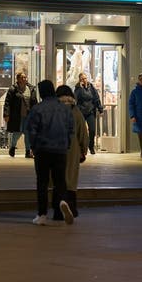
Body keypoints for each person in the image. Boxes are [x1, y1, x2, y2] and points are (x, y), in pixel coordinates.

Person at [26, 80, 74, 226]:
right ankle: (63, 200)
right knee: (60, 180)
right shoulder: (65, 109)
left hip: (43, 149)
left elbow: (31, 129)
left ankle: (42, 214)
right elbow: (71, 129)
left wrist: (33, 146)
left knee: (42, 182)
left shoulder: (38, 108)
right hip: (60, 150)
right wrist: (67, 144)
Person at [54, 85, 89, 224]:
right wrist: (83, 150)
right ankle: (72, 208)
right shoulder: (76, 111)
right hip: (73, 149)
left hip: (55, 148)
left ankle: (58, 210)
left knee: (57, 178)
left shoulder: (54, 110)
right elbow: (83, 133)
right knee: (71, 179)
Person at [3, 71, 37, 157]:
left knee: (28, 133)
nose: (25, 79)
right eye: (22, 77)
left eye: (25, 77)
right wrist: (6, 114)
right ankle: (13, 148)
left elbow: (34, 102)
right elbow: (7, 102)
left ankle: (28, 151)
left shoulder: (31, 89)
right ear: (18, 79)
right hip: (17, 116)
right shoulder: (13, 89)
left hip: (28, 116)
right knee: (17, 132)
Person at [74, 72, 103, 155]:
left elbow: (96, 98)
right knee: (81, 131)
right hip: (81, 112)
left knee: (92, 130)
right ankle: (81, 147)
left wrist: (100, 109)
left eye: (85, 78)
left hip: (90, 111)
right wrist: (79, 88)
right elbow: (75, 98)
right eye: (82, 79)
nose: (84, 80)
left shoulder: (91, 87)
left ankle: (91, 146)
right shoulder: (77, 88)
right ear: (80, 80)